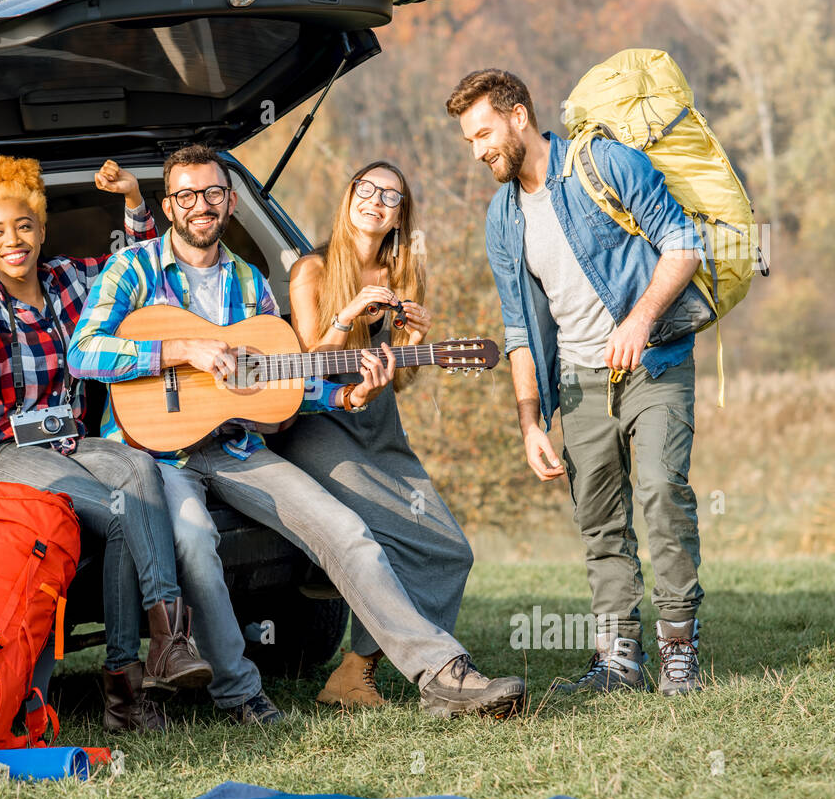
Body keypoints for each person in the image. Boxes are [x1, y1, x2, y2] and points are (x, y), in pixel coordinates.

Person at [68, 143, 527, 724]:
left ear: (230, 202)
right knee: (196, 541)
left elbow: (281, 381)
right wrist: (182, 349)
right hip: (158, 452)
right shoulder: (132, 269)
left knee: (348, 531)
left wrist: (346, 394)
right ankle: (240, 693)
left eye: (212, 193)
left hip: (237, 447)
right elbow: (83, 352)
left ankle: (441, 673)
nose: (200, 205)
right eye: (186, 195)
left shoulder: (250, 281)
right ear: (169, 205)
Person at [0, 154, 211, 732]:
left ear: (41, 227)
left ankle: (165, 646)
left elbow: (137, 269)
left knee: (138, 468)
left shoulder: (68, 280)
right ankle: (128, 685)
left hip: (72, 440)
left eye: (24, 226)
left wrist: (134, 201)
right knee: (121, 511)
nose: (14, 241)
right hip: (8, 451)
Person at [447, 69, 708, 695]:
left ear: (518, 114)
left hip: (655, 363)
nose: (479, 150)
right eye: (469, 142)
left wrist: (640, 321)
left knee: (662, 494)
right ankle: (619, 660)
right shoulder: (502, 217)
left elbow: (683, 242)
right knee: (599, 520)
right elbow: (518, 327)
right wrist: (531, 420)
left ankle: (678, 648)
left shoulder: (604, 164)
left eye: (484, 133)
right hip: (580, 380)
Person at [266, 161, 474, 709]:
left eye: (392, 196)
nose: (376, 201)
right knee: (385, 532)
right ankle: (403, 671)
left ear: (402, 216)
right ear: (349, 195)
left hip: (378, 422)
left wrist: (412, 347)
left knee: (451, 549)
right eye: (367, 189)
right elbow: (307, 365)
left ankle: (354, 670)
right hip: (317, 425)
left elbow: (398, 377)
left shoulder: (402, 276)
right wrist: (349, 313)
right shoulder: (311, 269)